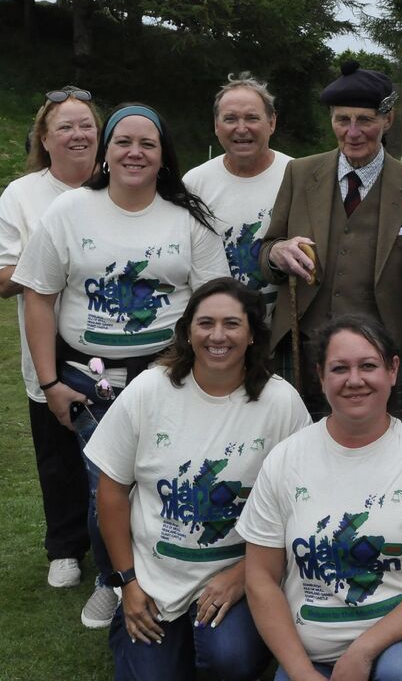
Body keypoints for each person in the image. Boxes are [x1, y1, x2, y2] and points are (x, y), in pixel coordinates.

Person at [13, 102, 230, 629]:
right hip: (88, 377)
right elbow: (37, 296)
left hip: (169, 372)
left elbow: (215, 301)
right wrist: (48, 383)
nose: (135, 152)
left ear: (163, 156)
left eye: (147, 144)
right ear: (106, 152)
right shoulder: (67, 213)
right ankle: (111, 580)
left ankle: (157, 572)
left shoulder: (188, 216)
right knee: (104, 483)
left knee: (155, 480)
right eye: (123, 142)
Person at [84, 277, 311, 680]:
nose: (217, 336)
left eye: (231, 324)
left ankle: (219, 637)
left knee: (231, 658)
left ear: (253, 335)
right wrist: (129, 582)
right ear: (188, 331)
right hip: (154, 577)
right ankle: (139, 627)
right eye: (205, 323)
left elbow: (302, 506)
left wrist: (244, 575)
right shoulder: (149, 390)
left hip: (239, 571)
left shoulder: (281, 402)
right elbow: (112, 491)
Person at [239, 316, 402, 681]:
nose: (355, 380)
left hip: (401, 638)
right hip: (311, 647)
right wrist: (301, 672)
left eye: (368, 366)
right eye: (340, 369)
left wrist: (363, 651)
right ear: (320, 377)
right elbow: (259, 578)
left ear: (393, 370)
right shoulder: (285, 460)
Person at [260, 60, 402, 427]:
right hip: (303, 348)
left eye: (364, 120)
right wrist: (277, 252)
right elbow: (267, 250)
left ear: (388, 120)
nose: (353, 132)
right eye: (342, 120)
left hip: (383, 356)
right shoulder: (301, 173)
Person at [0, 86, 99, 589]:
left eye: (86, 125)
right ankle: (64, 547)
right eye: (66, 126)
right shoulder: (22, 195)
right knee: (58, 450)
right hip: (48, 345)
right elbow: (2, 278)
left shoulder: (121, 181)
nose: (78, 135)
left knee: (117, 448)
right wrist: (55, 259)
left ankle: (122, 541)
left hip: (111, 341)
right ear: (44, 136)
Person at [184, 73, 292, 320]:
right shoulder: (194, 183)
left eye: (252, 118)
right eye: (230, 119)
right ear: (216, 125)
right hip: (215, 326)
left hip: (280, 328)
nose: (241, 129)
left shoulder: (298, 175)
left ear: (272, 122)